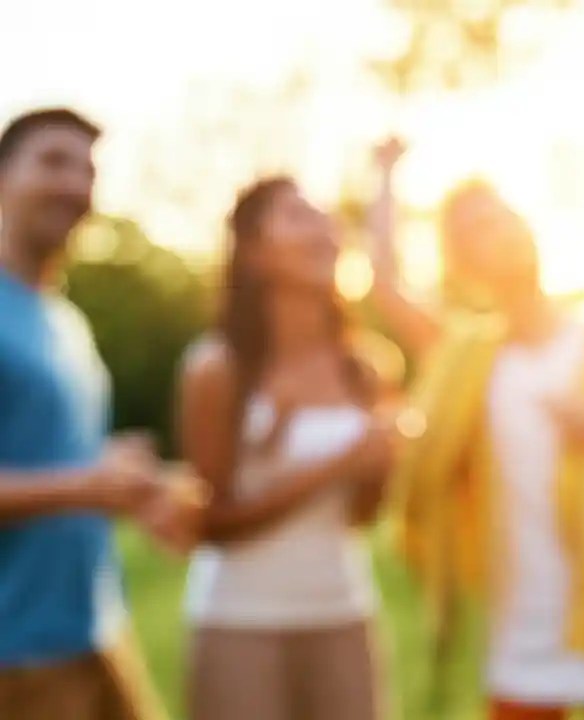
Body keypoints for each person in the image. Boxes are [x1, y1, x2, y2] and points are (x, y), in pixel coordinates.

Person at [368, 141, 584, 720]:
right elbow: (386, 287)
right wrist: (385, 175)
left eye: (505, 215)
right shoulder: (467, 358)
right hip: (523, 620)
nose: (502, 232)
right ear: (462, 263)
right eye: (477, 229)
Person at [0, 108, 199, 720]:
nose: (75, 185)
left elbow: (51, 459)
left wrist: (133, 484)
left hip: (96, 630)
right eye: (52, 162)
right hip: (16, 655)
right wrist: (92, 484)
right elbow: (77, 484)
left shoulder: (64, 318)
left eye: (87, 170)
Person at [177, 177, 397, 720]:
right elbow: (211, 525)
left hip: (343, 613)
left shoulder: (364, 366)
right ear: (252, 252)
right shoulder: (218, 368)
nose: (322, 227)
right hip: (239, 623)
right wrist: (337, 464)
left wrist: (382, 465)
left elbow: (362, 517)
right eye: (297, 215)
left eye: (324, 215)